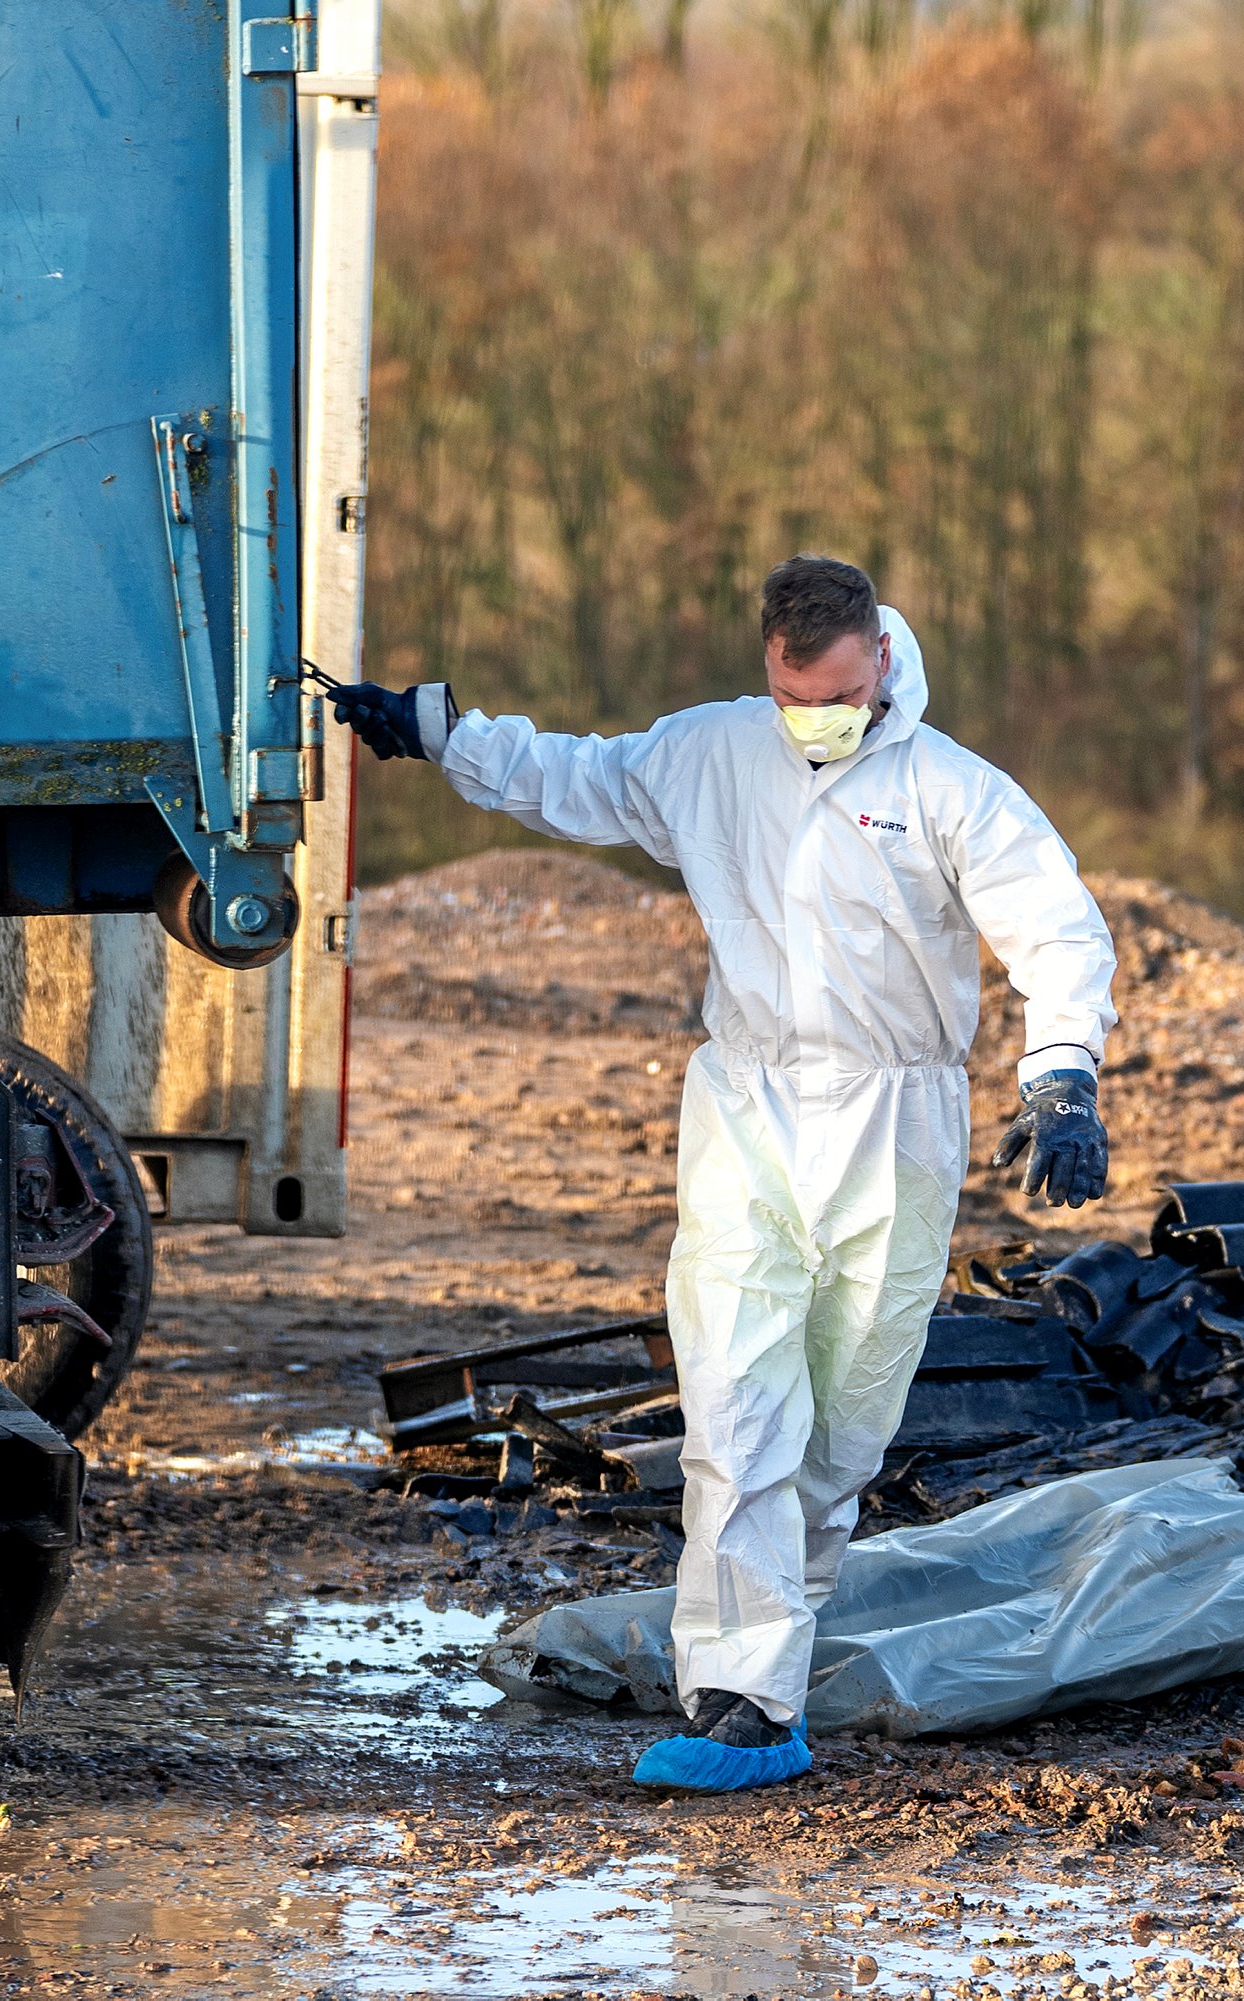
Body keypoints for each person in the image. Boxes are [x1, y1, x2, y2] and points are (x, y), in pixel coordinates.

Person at [328, 556, 1117, 1793]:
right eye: (800, 698)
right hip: (748, 1109)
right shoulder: (712, 755)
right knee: (741, 1410)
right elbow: (577, 778)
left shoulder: (953, 791)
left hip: (894, 1124)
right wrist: (439, 732)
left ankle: (769, 1669)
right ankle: (743, 1699)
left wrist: (1060, 1072)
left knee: (841, 1429)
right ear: (770, 668)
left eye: (845, 696)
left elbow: (1057, 926)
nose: (822, 720)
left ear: (884, 665)